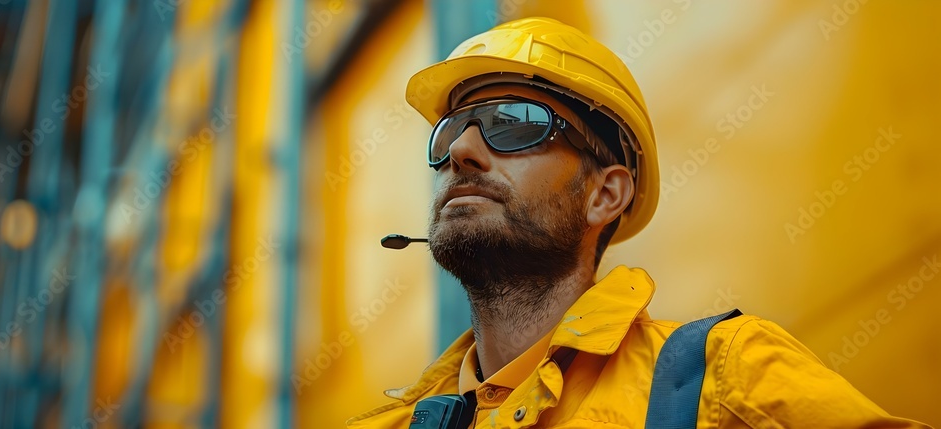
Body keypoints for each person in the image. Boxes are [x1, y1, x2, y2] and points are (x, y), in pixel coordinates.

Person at [347, 17, 931, 429]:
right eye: (450, 131)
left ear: (605, 195)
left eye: (515, 121)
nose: (462, 151)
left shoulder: (726, 378)